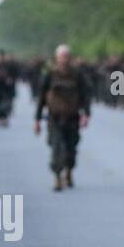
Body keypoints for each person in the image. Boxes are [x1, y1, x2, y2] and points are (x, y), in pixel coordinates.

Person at [34, 44, 93, 190]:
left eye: (66, 56)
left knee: (71, 148)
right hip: (54, 117)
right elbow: (41, 97)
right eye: (61, 56)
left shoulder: (77, 74)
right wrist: (37, 119)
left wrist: (86, 114)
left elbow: (85, 95)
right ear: (56, 58)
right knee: (56, 148)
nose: (64, 59)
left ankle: (69, 171)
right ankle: (57, 178)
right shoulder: (50, 74)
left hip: (72, 117)